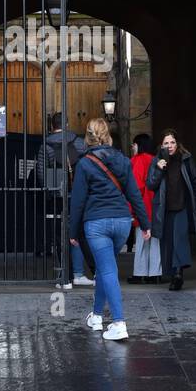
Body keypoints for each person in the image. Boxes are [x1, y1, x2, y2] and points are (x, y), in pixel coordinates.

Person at [69, 118, 151, 341]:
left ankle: (119, 323)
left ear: (88, 136)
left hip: (97, 223)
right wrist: (145, 224)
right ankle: (96, 316)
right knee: (105, 270)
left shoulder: (84, 163)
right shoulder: (124, 160)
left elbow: (78, 201)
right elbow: (134, 194)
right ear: (107, 134)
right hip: (122, 222)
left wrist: (73, 232)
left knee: (107, 271)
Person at [38, 112, 95, 290]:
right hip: (78, 195)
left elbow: (41, 171)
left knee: (59, 235)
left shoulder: (45, 144)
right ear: (68, 123)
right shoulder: (79, 142)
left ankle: (65, 276)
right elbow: (88, 167)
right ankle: (79, 273)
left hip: (57, 193)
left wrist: (48, 192)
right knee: (77, 233)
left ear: (51, 125)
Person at [146, 129, 196, 291]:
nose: (170, 146)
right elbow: (150, 185)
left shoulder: (186, 159)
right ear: (161, 145)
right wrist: (158, 169)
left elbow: (195, 180)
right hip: (164, 209)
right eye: (166, 143)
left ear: (177, 144)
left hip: (182, 206)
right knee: (168, 243)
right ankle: (173, 276)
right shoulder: (156, 161)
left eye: (172, 142)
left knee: (179, 239)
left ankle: (178, 273)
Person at [128, 133, 161, 284]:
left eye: (133, 145)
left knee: (141, 242)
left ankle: (140, 273)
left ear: (138, 145)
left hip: (142, 206)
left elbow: (136, 187)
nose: (132, 148)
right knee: (155, 241)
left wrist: (131, 210)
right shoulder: (155, 160)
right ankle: (155, 273)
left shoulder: (137, 160)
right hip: (155, 205)